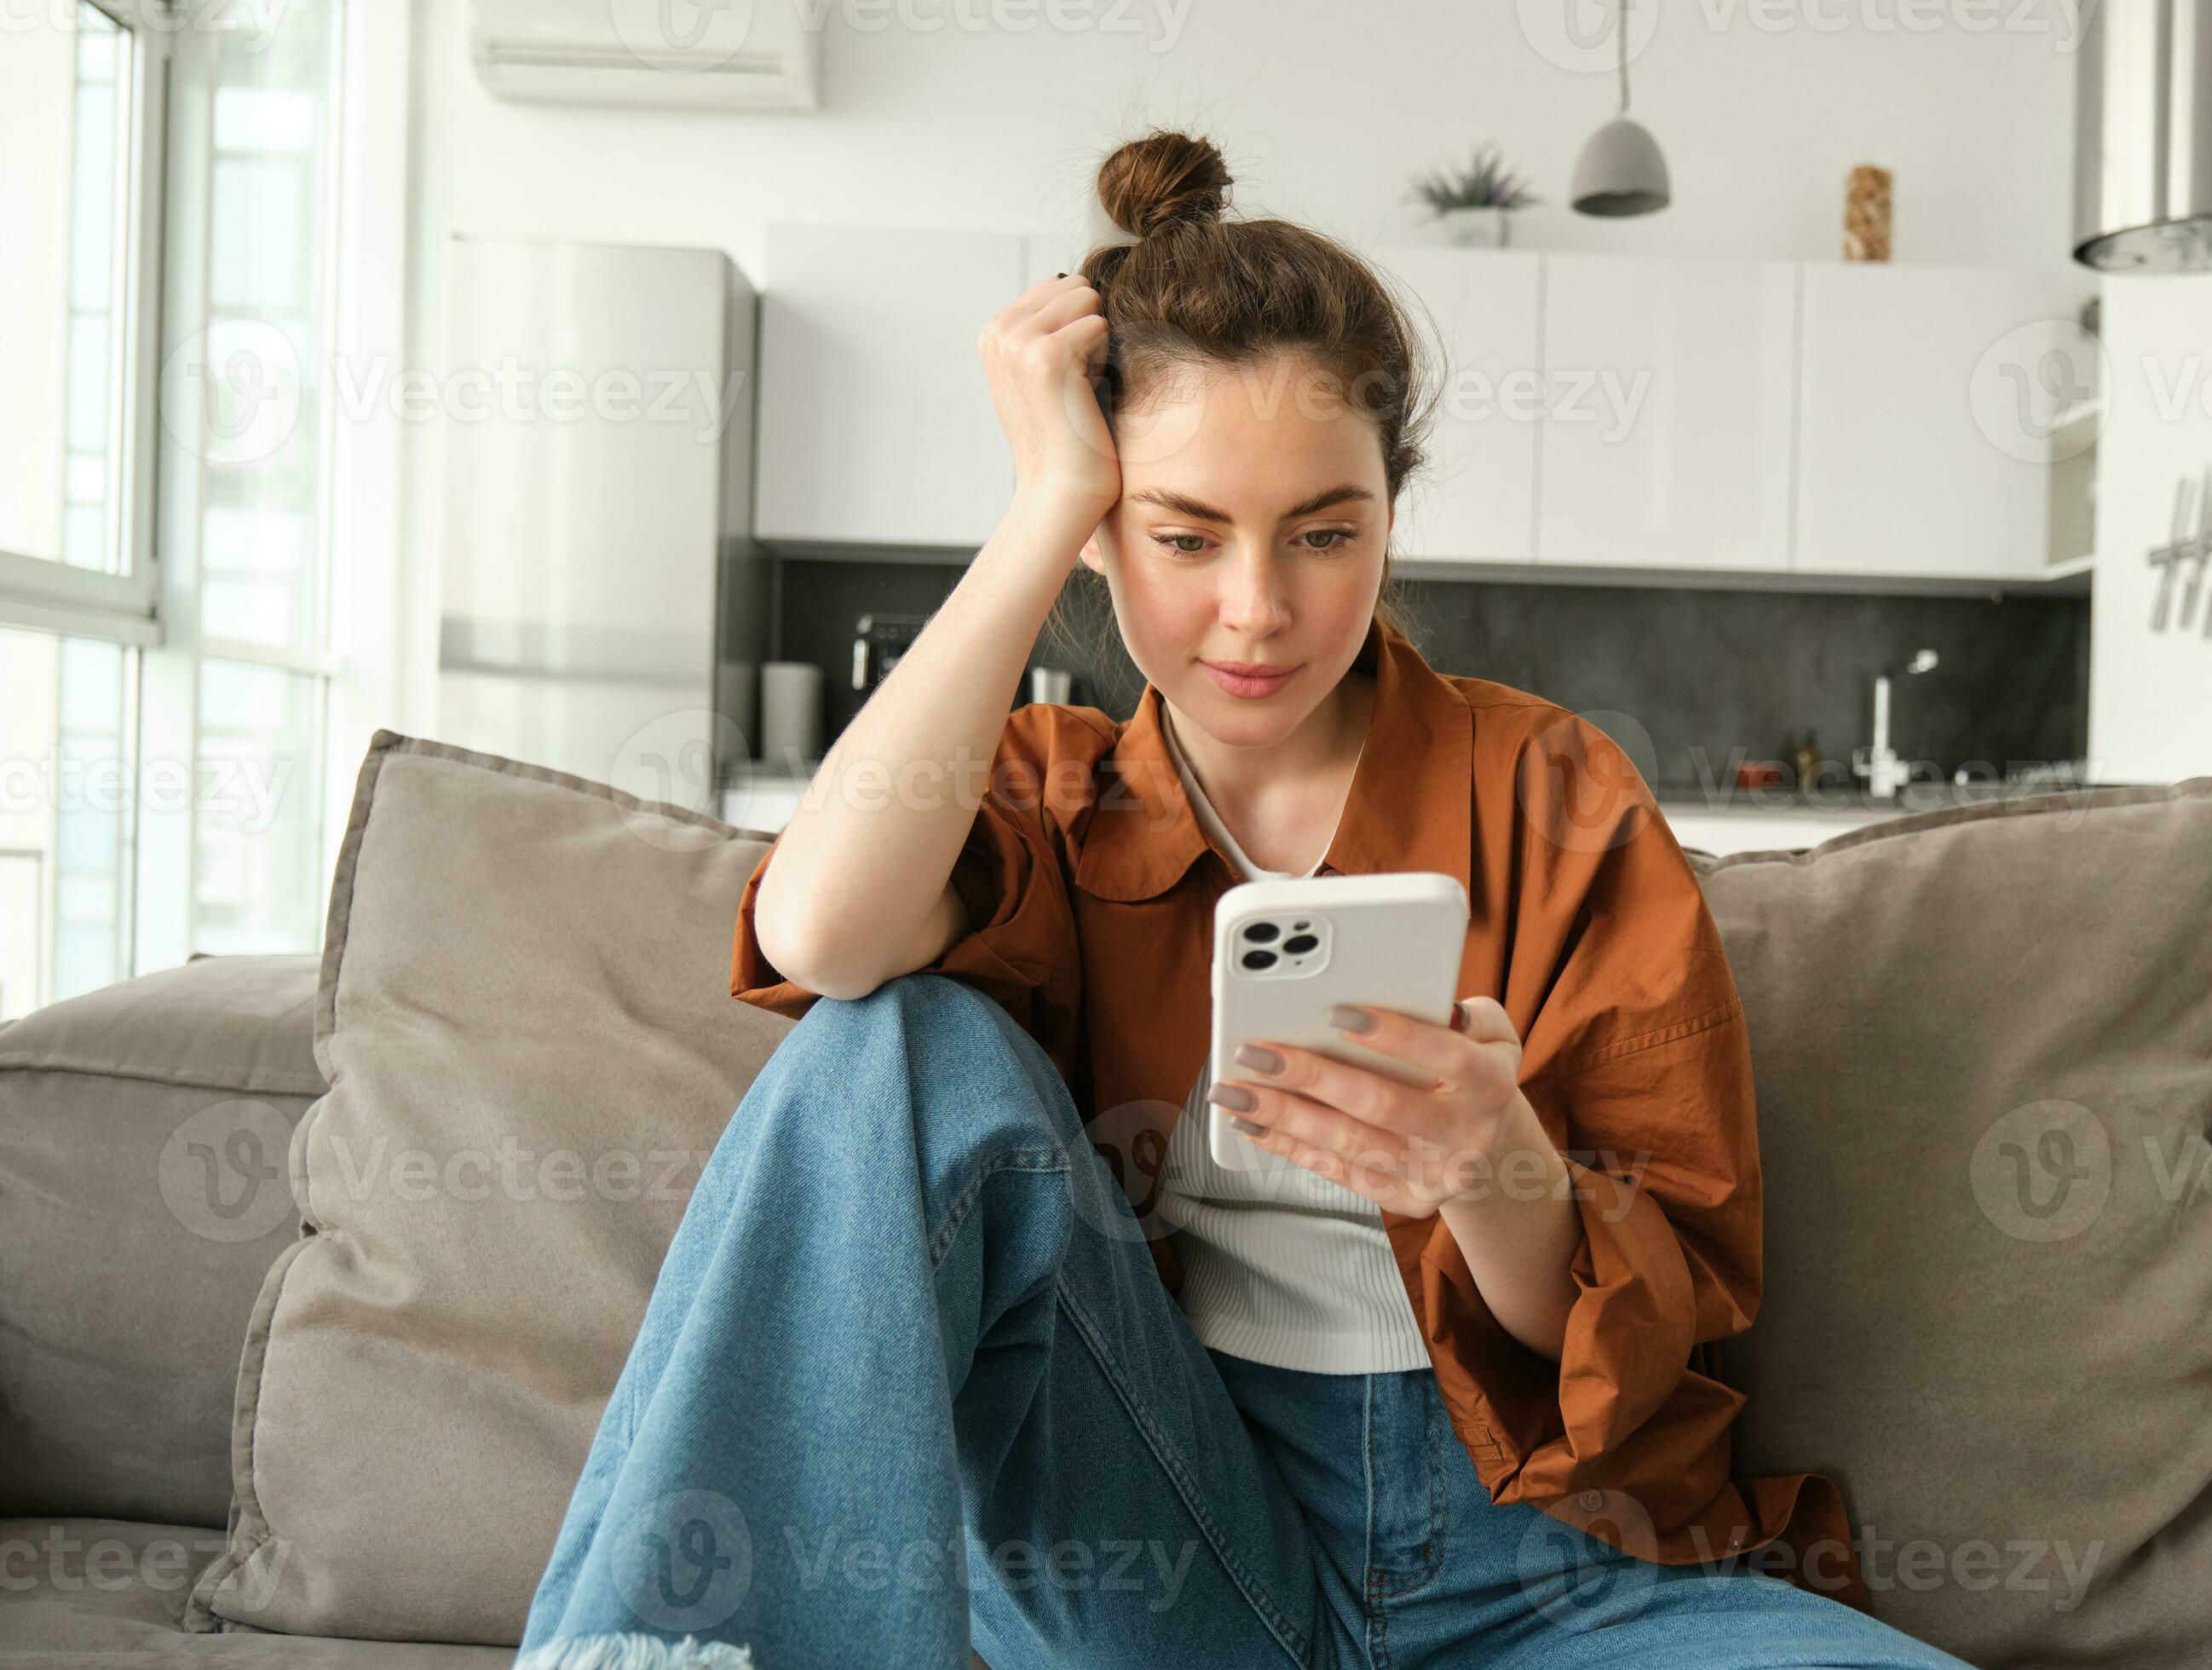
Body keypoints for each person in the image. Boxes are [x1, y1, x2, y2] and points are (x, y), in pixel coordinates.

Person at [514, 130, 1976, 1670]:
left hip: (1538, 1574)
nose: (1259, 611)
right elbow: (817, 938)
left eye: (1325, 533)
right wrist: (1040, 506)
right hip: (1170, 1541)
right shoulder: (1046, 795)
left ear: (1391, 515)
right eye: (1184, 534)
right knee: (888, 1047)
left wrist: (1494, 1170)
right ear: (1103, 529)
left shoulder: (1553, 791)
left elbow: (1653, 1326)